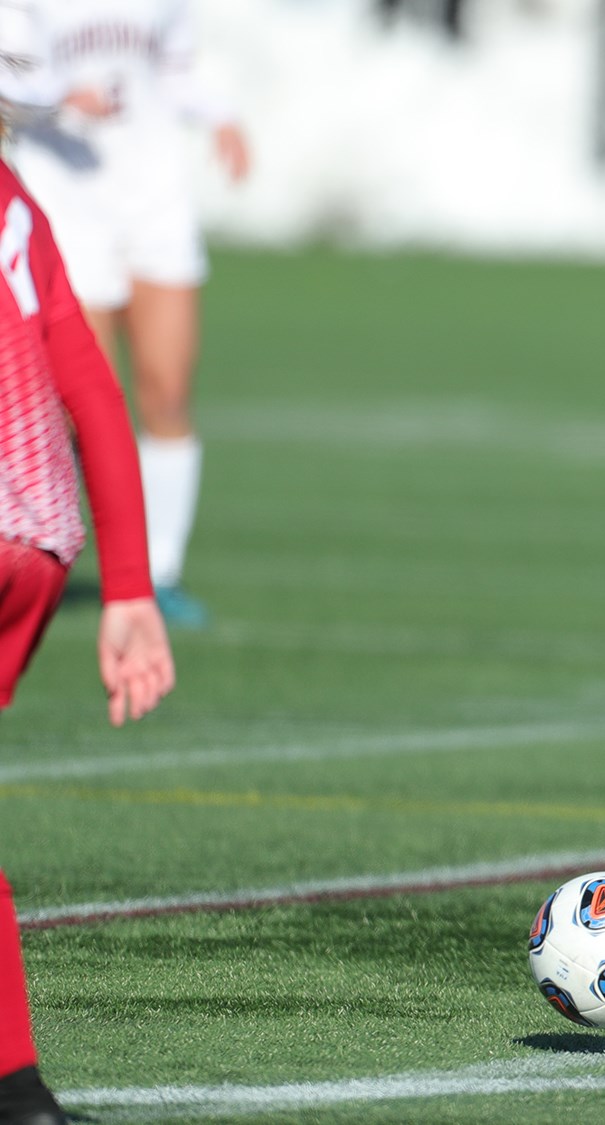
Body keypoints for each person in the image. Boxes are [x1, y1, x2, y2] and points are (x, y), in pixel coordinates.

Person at [0, 140, 175, 1125]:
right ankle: (17, 1092)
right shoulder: (13, 192)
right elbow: (94, 389)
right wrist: (130, 590)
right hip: (38, 536)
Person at [0, 0, 252, 628]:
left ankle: (159, 574)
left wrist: (221, 116)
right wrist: (62, 94)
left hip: (153, 199)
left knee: (167, 392)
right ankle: (78, 558)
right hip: (66, 202)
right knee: (82, 406)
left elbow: (175, 70)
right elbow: (7, 80)